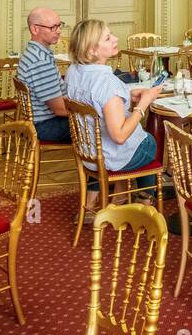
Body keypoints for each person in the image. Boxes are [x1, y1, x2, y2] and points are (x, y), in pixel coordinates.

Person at [65, 19, 163, 210]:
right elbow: (119, 136)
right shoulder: (107, 83)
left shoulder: (73, 72)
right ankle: (143, 202)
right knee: (149, 141)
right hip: (110, 159)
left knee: (136, 138)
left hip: (88, 154)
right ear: (92, 50)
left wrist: (126, 95)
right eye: (108, 38)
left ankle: (97, 201)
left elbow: (97, 99)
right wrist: (143, 103)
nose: (115, 39)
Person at [17, 7, 70, 144]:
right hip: (46, 126)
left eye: (59, 25)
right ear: (35, 29)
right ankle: (103, 164)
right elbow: (60, 109)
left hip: (42, 121)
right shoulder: (40, 61)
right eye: (53, 27)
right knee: (101, 124)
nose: (59, 31)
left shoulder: (34, 53)